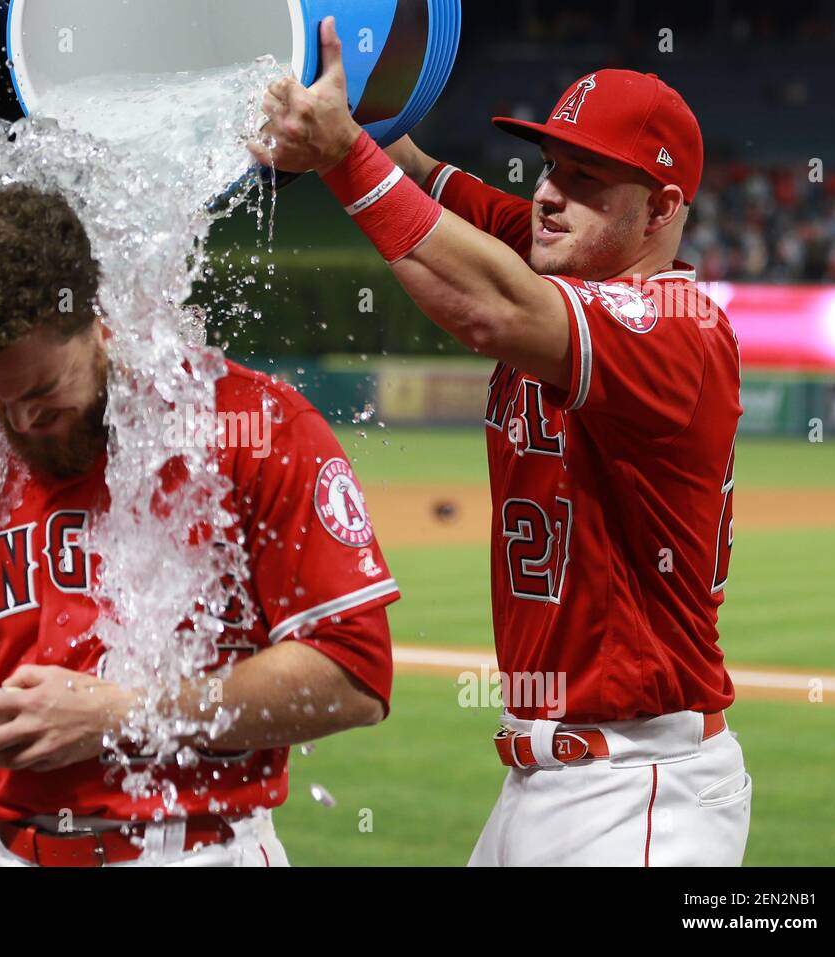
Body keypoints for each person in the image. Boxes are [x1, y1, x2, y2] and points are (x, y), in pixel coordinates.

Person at [254, 18, 749, 866]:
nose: (548, 195)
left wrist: (343, 158)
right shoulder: (568, 256)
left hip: (638, 793)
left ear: (663, 208)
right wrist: (344, 107)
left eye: (586, 179)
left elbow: (488, 305)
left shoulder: (676, 328)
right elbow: (432, 186)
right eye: (552, 169)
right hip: (543, 776)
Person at [0, 183, 398, 867]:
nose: (20, 423)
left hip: (193, 852)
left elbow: (353, 675)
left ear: (99, 322)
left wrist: (127, 711)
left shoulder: (249, 426)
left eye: (41, 394)